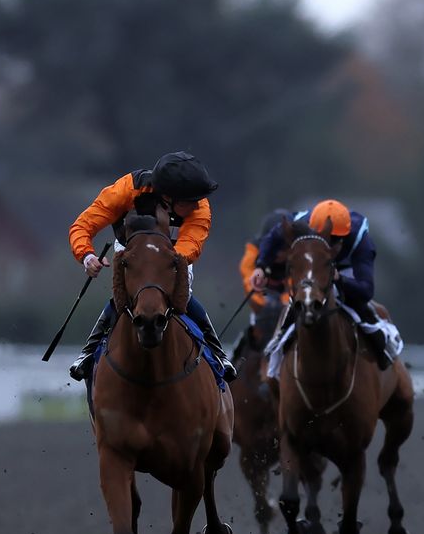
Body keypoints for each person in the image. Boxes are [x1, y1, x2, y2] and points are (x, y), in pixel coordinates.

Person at [66, 150, 235, 382]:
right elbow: (83, 225)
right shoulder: (128, 188)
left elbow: (190, 246)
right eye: (190, 201)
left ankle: (218, 352)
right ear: (168, 197)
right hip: (131, 252)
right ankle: (88, 352)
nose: (197, 205)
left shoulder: (200, 207)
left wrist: (160, 263)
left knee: (182, 296)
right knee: (126, 295)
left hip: (173, 257)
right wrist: (87, 256)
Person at [251, 199, 395, 370]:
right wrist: (261, 266)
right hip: (316, 261)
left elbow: (366, 290)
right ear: (314, 229)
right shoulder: (300, 222)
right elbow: (272, 237)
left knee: (358, 304)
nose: (331, 243)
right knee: (300, 299)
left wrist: (340, 279)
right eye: (327, 237)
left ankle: (382, 347)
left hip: (345, 268)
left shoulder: (361, 241)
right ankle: (279, 343)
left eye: (335, 239)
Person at [230, 211, 291, 367]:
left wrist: (285, 303)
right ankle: (232, 361)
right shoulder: (253, 250)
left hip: (288, 305)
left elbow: (295, 284)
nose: (277, 253)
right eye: (274, 248)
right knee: (254, 328)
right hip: (263, 305)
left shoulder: (297, 256)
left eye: (283, 249)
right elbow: (248, 277)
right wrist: (262, 304)